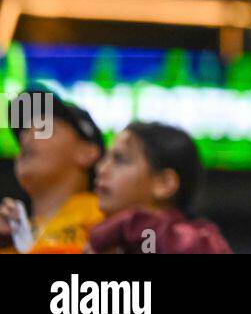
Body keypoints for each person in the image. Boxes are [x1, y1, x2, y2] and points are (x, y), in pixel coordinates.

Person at [87, 121, 231, 254]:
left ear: (164, 183)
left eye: (120, 159)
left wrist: (126, 225)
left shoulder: (201, 240)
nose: (101, 169)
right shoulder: (116, 243)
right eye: (105, 158)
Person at [1, 89, 105, 254]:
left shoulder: (105, 218)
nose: (26, 137)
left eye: (44, 128)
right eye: (25, 131)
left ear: (87, 153)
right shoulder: (9, 234)